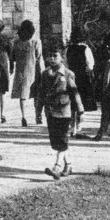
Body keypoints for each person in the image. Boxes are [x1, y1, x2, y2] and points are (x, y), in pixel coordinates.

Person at [38, 39, 84, 180]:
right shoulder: (45, 74)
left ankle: (57, 167)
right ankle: (68, 165)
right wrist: (38, 111)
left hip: (64, 112)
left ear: (62, 58)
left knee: (62, 140)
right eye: (50, 56)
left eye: (55, 56)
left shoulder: (68, 74)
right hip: (51, 112)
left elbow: (75, 93)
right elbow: (41, 94)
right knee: (56, 141)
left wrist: (80, 111)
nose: (52, 59)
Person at [10, 20, 43, 127]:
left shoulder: (16, 42)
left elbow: (12, 57)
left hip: (21, 70)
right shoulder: (35, 42)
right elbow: (39, 57)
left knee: (23, 95)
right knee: (37, 93)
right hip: (34, 70)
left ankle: (23, 116)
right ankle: (38, 115)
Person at [65, 26, 97, 137]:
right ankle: (78, 125)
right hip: (82, 77)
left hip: (71, 77)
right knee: (81, 102)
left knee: (72, 103)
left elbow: (65, 64)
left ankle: (72, 126)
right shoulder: (85, 49)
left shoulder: (68, 49)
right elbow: (90, 65)